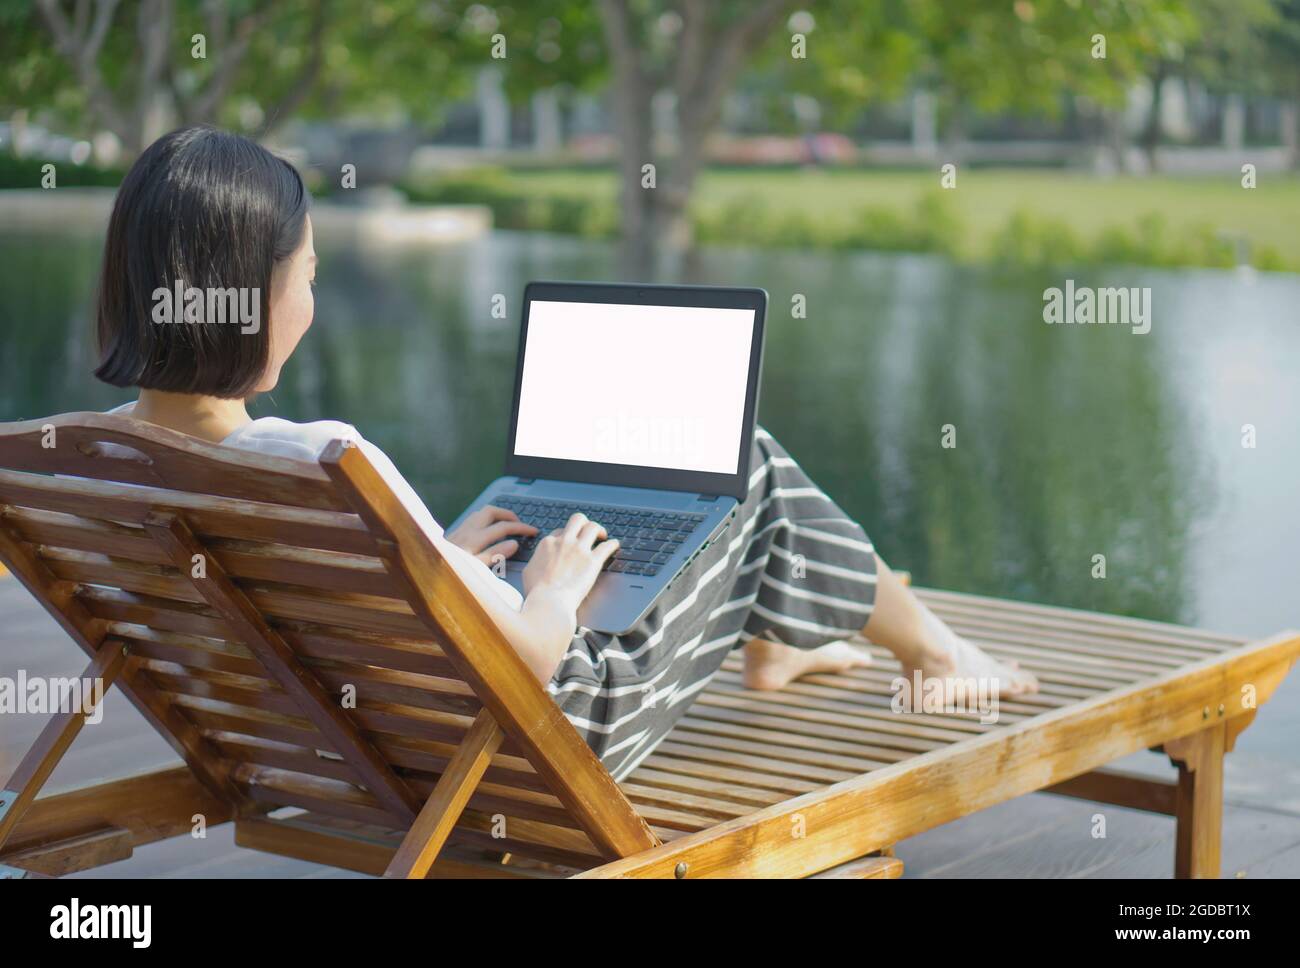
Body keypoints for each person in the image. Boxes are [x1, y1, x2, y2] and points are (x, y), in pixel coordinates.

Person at [93, 126, 1037, 780]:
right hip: (548, 738)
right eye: (306, 275)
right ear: (251, 298)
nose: (312, 300)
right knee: (742, 463)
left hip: (371, 753)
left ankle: (776, 637)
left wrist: (439, 563)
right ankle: (937, 655)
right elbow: (536, 657)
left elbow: (322, 625)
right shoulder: (321, 458)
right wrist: (552, 587)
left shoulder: (105, 463)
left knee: (644, 515)